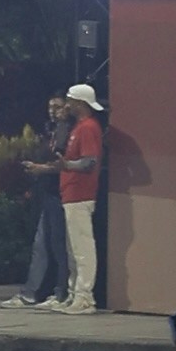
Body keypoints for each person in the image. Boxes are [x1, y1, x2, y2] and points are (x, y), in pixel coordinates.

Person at [51, 85, 105, 310]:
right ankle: (75, 294)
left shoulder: (88, 128)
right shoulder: (78, 128)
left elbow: (90, 161)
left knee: (82, 248)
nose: (68, 104)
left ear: (81, 103)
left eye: (71, 100)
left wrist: (67, 165)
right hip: (71, 194)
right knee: (74, 249)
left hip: (80, 194)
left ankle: (84, 297)